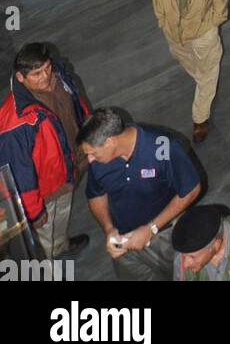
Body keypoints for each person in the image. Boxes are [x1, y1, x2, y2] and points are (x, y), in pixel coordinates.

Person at [79, 107, 202, 281]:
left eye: (93, 153)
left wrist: (151, 228)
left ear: (110, 141)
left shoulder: (163, 146)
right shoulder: (99, 161)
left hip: (166, 238)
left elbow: (191, 189)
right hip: (124, 243)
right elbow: (96, 194)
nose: (89, 160)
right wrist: (109, 229)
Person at [0, 42, 90, 259]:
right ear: (21, 78)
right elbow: (16, 171)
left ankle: (61, 246)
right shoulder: (16, 121)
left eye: (47, 68)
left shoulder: (59, 76)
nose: (45, 76)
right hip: (48, 190)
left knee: (60, 220)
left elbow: (76, 106)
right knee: (44, 236)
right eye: (36, 73)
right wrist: (34, 211)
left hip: (67, 169)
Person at [152, 0, 230, 143]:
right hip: (173, 31)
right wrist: (161, 18)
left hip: (202, 32)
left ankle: (200, 118)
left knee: (207, 74)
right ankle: (205, 85)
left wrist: (211, 24)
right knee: (187, 62)